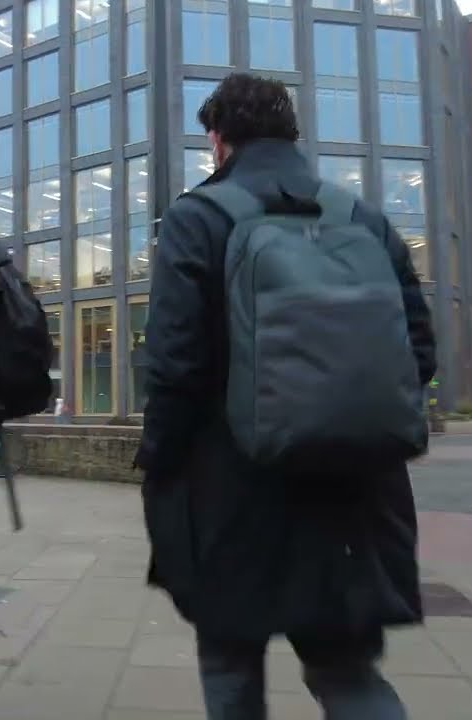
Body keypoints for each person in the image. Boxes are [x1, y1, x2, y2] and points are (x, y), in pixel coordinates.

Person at [137, 74, 436, 720]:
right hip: (352, 497)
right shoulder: (363, 220)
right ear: (291, 134)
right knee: (348, 676)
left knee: (231, 672)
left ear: (218, 141)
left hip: (231, 492)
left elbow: (173, 366)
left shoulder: (197, 220)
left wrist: (158, 464)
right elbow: (420, 353)